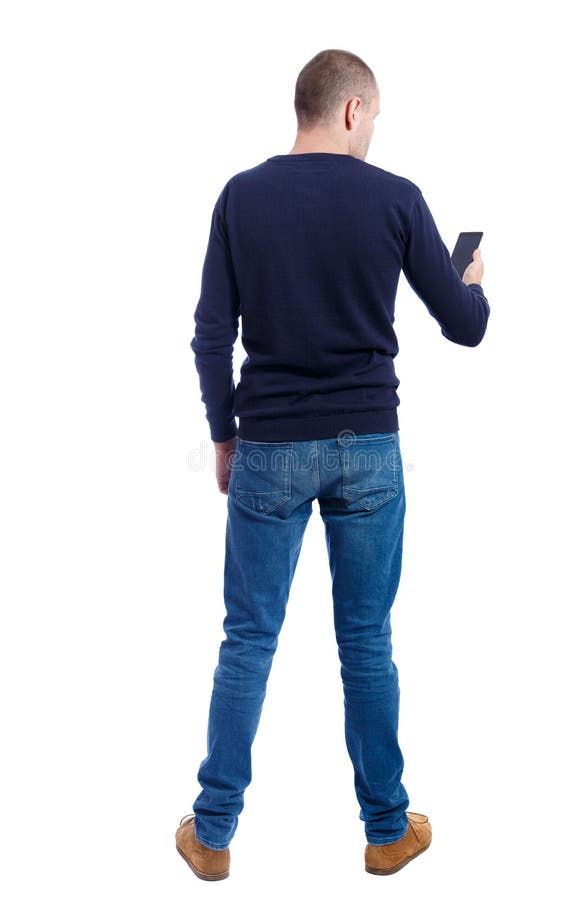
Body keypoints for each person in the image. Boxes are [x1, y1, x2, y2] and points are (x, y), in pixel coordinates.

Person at [175, 48, 490, 882]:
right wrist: (475, 280)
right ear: (352, 111)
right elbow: (464, 325)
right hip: (369, 452)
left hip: (268, 448)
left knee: (248, 639)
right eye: (374, 120)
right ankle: (387, 830)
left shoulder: (241, 197)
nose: (373, 134)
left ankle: (211, 835)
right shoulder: (395, 199)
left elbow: (211, 334)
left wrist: (224, 436)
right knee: (366, 641)